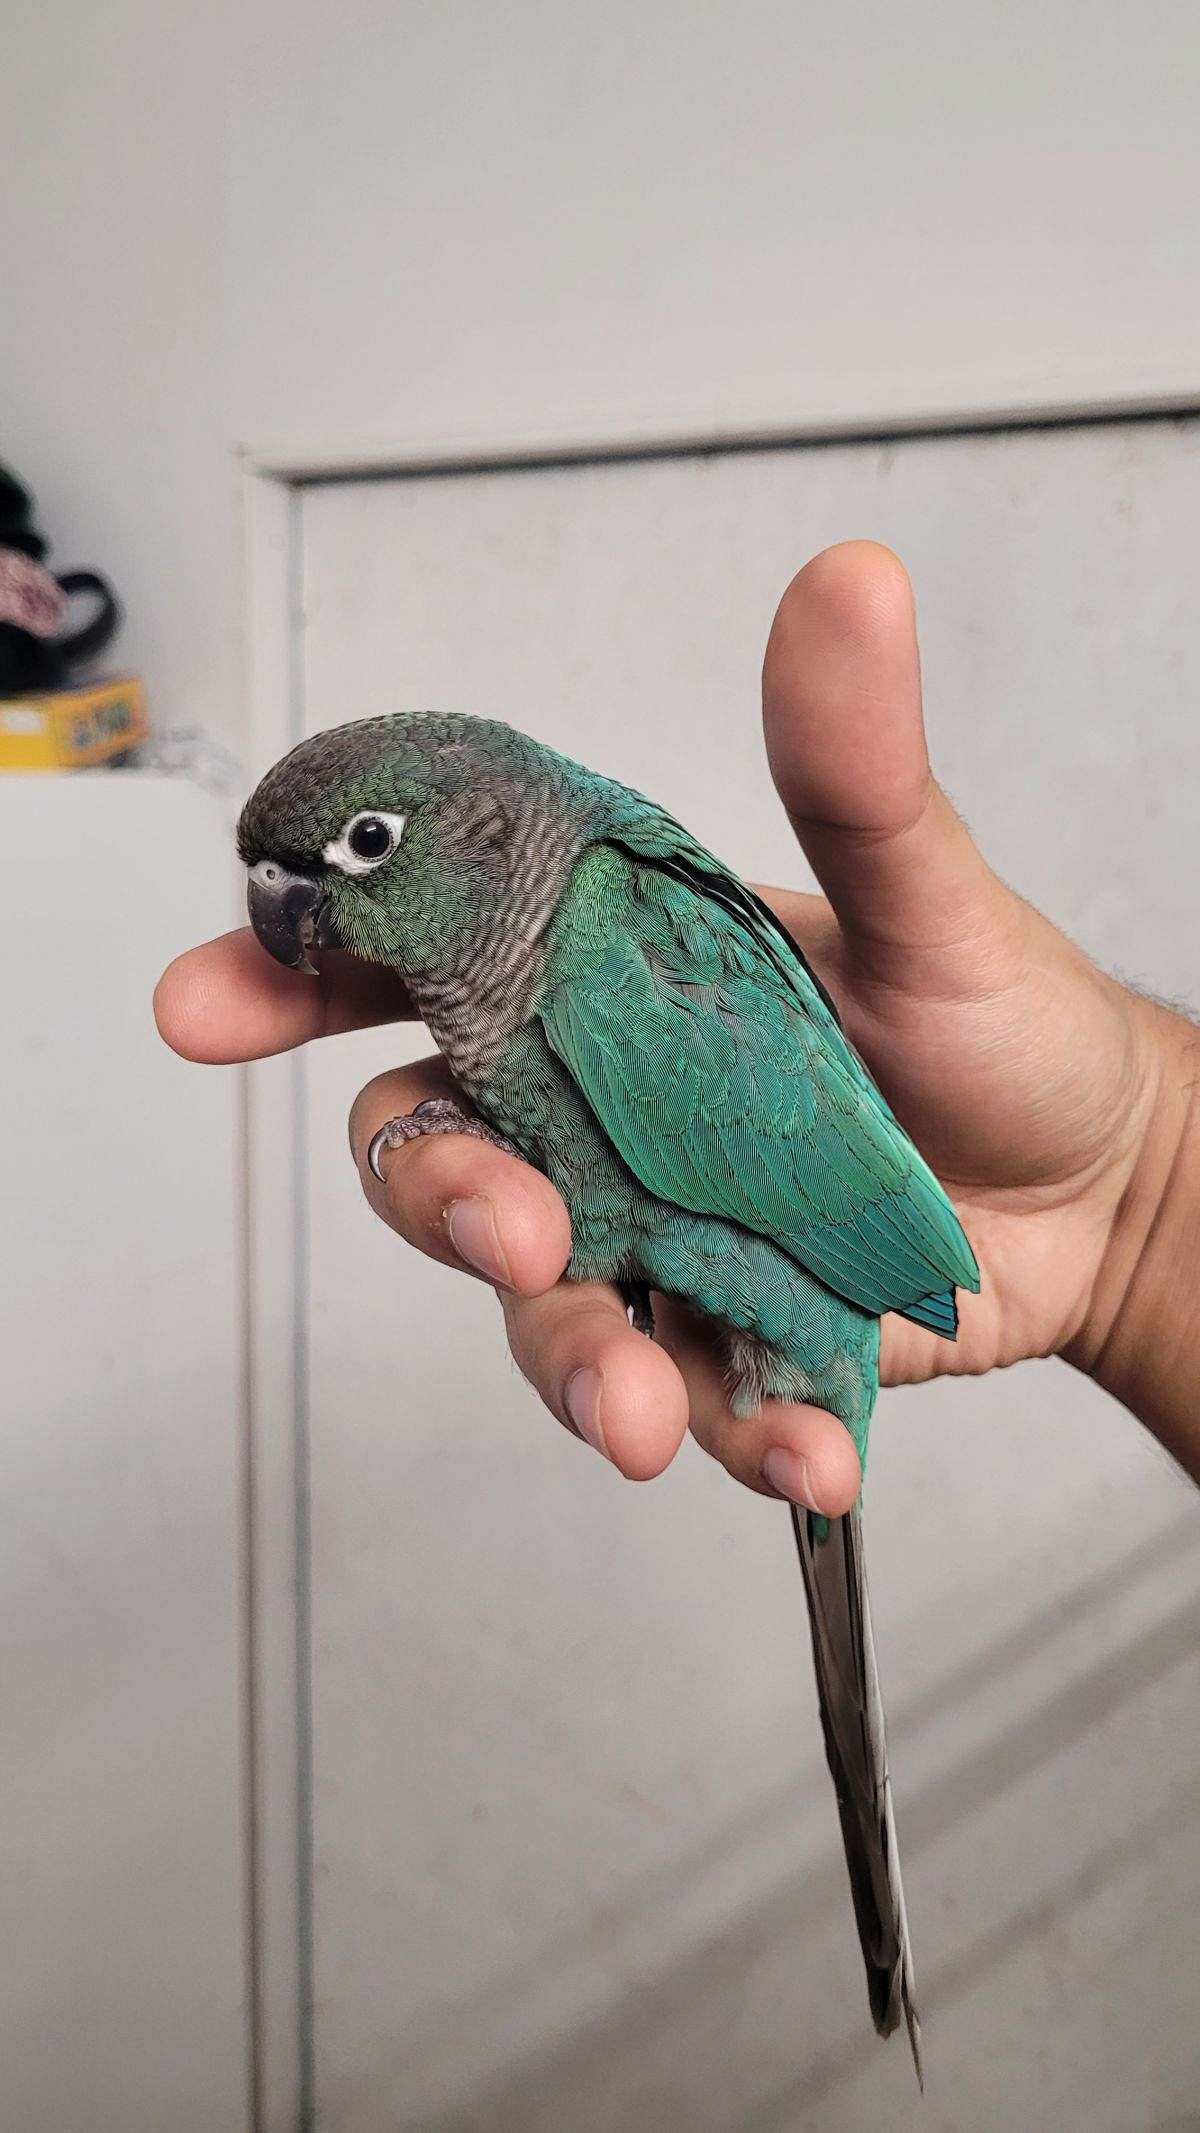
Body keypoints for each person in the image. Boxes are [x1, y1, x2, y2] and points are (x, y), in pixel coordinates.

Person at [155, 542, 1200, 1516]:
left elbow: (621, 1209)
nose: (293, 905)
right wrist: (1137, 1201)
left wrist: (1141, 1193)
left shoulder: (609, 929)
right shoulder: (503, 949)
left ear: (484, 828)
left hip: (826, 1280)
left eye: (367, 844)